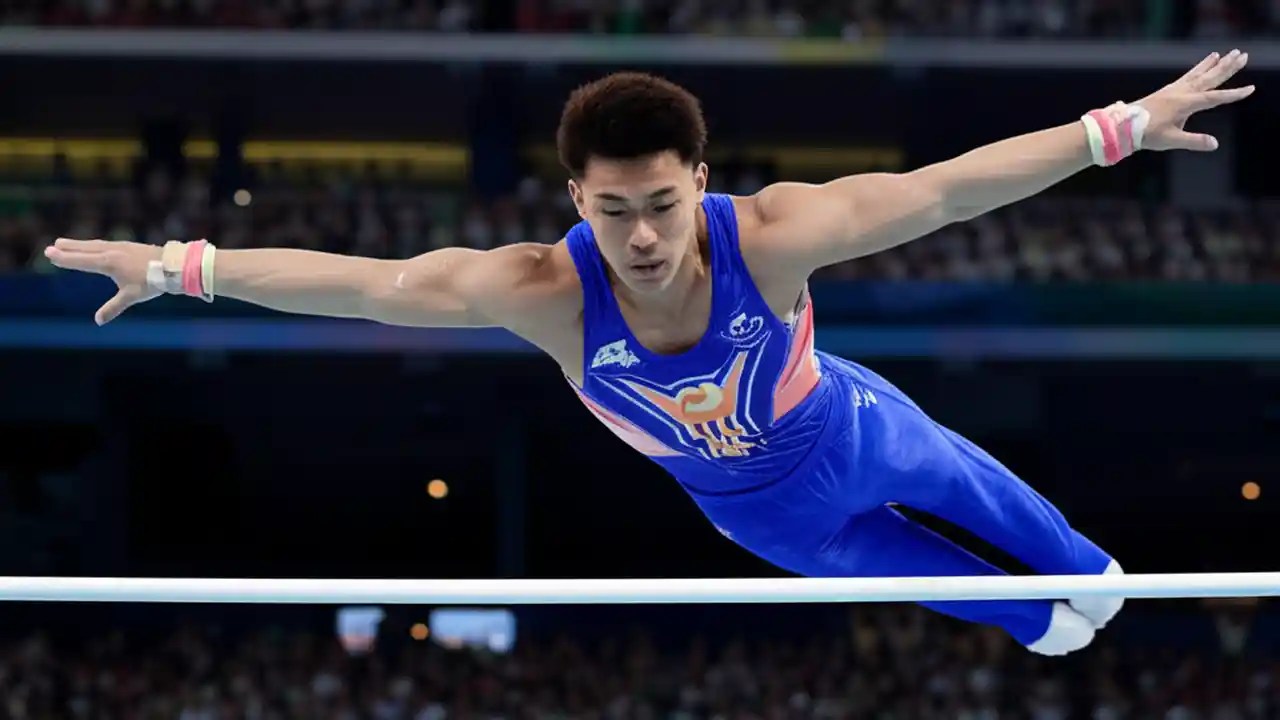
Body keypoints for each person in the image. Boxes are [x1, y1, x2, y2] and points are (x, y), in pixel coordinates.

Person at [45, 50, 1254, 655]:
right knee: (1039, 627)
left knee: (1082, 576)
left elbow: (941, 194)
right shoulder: (543, 293)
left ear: (699, 188)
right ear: (575, 197)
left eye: (661, 206)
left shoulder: (773, 238)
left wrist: (1117, 130)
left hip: (853, 427)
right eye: (611, 210)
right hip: (765, 522)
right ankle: (1046, 622)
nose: (638, 236)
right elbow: (360, 283)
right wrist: (173, 266)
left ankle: (1082, 573)